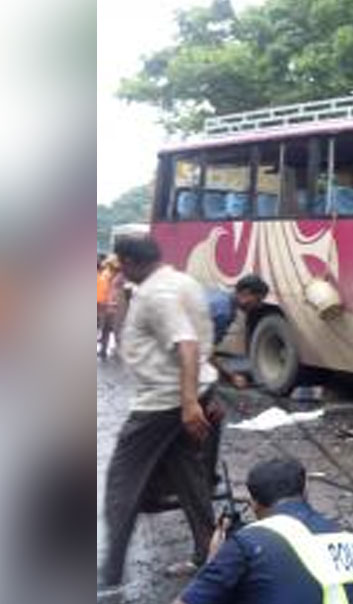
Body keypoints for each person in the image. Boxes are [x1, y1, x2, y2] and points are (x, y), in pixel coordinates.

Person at [99, 236, 224, 600]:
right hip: (189, 393)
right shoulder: (179, 281)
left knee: (122, 482)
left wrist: (187, 404)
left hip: (163, 401)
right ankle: (208, 554)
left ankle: (110, 572)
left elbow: (186, 343)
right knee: (189, 477)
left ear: (127, 260)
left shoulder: (157, 295)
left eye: (119, 265)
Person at [174, 457, 353, 604]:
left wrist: (213, 559)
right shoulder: (348, 540)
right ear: (305, 492)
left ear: (254, 504)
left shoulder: (246, 542)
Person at [206, 274, 271, 388]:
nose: (258, 305)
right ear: (245, 293)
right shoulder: (223, 312)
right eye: (258, 299)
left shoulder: (219, 296)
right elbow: (204, 352)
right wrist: (232, 376)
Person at [97, 255, 117, 358]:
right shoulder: (108, 276)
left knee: (105, 328)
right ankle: (103, 350)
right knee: (106, 329)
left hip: (105, 306)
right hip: (108, 306)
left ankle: (104, 350)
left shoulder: (106, 276)